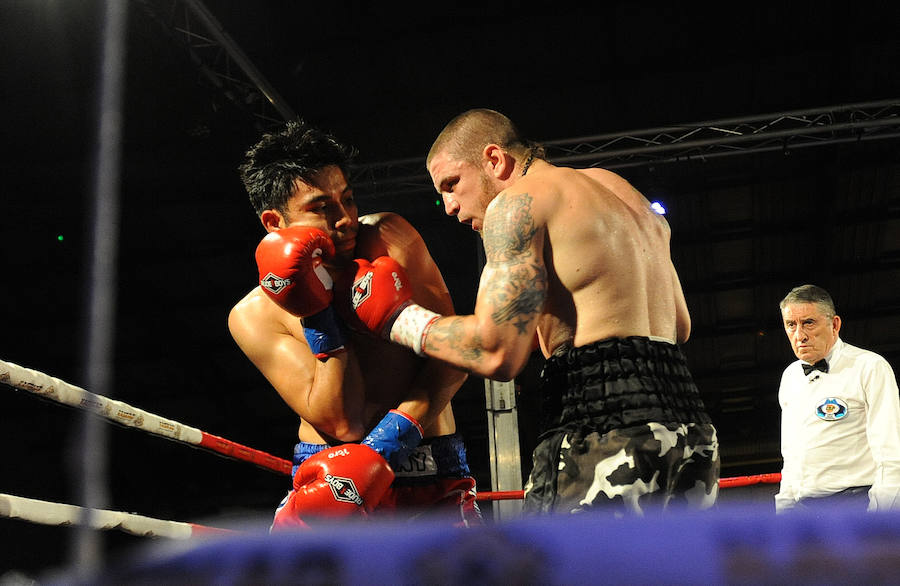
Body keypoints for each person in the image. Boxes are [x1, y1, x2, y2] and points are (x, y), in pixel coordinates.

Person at [347, 108, 719, 516]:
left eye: (452, 184)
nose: (449, 206)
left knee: (558, 557)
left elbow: (496, 352)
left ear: (494, 159)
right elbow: (680, 325)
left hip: (602, 426)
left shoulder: (516, 205)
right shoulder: (620, 191)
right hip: (690, 427)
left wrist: (398, 319)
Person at [228, 120, 481, 529]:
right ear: (274, 223)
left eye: (347, 199)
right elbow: (343, 422)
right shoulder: (252, 315)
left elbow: (456, 353)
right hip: (327, 477)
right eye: (321, 207)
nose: (345, 218)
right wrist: (317, 313)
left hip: (426, 468)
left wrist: (388, 444)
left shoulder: (389, 240)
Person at [775, 284, 900, 513]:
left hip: (857, 504)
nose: (800, 335)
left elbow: (891, 452)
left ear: (834, 324)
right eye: (791, 325)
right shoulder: (790, 376)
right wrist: (784, 511)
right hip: (805, 510)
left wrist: (880, 515)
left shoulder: (869, 367)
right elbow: (791, 454)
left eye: (808, 323)